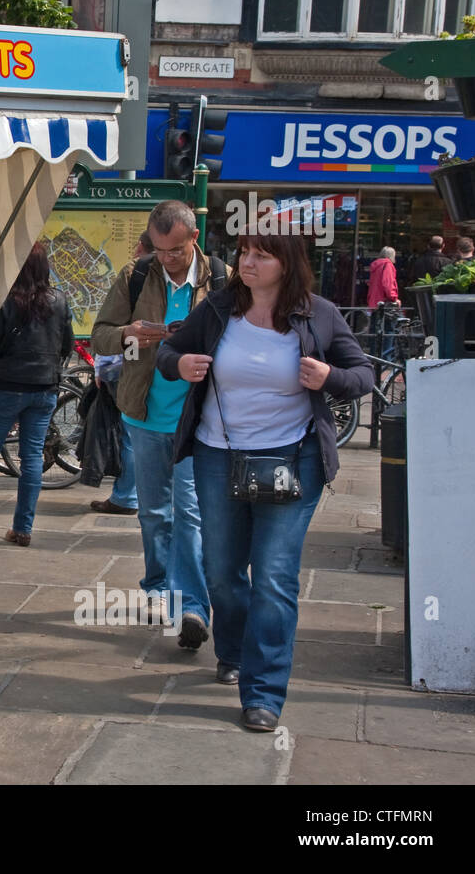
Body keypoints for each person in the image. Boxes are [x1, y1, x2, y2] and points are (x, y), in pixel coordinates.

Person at [156, 231, 373, 732]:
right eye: (244, 253)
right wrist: (180, 365)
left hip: (292, 460)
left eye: (260, 255)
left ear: (288, 263)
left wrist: (330, 378)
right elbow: (170, 352)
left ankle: (264, 693)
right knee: (223, 571)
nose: (246, 262)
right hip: (216, 456)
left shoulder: (319, 314)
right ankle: (233, 652)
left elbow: (362, 373)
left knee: (274, 577)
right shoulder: (216, 309)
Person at [91, 200, 228, 643]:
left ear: (194, 239)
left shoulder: (221, 278)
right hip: (145, 413)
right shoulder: (134, 275)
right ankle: (158, 587)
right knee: (153, 513)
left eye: (174, 251)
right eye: (158, 250)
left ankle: (191, 606)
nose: (166, 259)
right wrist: (130, 333)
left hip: (199, 418)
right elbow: (100, 334)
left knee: (188, 513)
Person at [0, 242, 73, 546]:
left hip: (7, 387)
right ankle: (22, 528)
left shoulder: (7, 302)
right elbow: (66, 344)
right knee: (32, 457)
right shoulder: (59, 300)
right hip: (45, 389)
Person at [90, 230, 153, 516]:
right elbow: (107, 332)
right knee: (133, 433)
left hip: (125, 371)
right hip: (128, 368)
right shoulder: (134, 278)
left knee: (130, 434)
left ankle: (127, 495)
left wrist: (103, 367)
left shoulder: (136, 277)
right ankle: (130, 494)